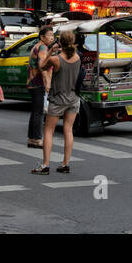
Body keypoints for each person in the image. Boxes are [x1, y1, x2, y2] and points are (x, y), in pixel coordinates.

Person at [33, 29, 80, 175]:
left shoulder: (56, 59)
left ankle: (45, 164)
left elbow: (42, 66)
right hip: (73, 98)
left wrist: (50, 51)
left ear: (60, 43)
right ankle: (65, 163)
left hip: (58, 98)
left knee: (48, 131)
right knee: (68, 130)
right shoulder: (77, 58)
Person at [27, 25, 54, 149]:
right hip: (38, 82)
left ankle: (32, 138)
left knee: (35, 111)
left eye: (53, 35)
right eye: (49, 35)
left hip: (32, 82)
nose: (52, 37)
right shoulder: (43, 47)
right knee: (38, 112)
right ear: (42, 37)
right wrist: (47, 82)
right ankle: (37, 139)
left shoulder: (36, 46)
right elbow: (42, 66)